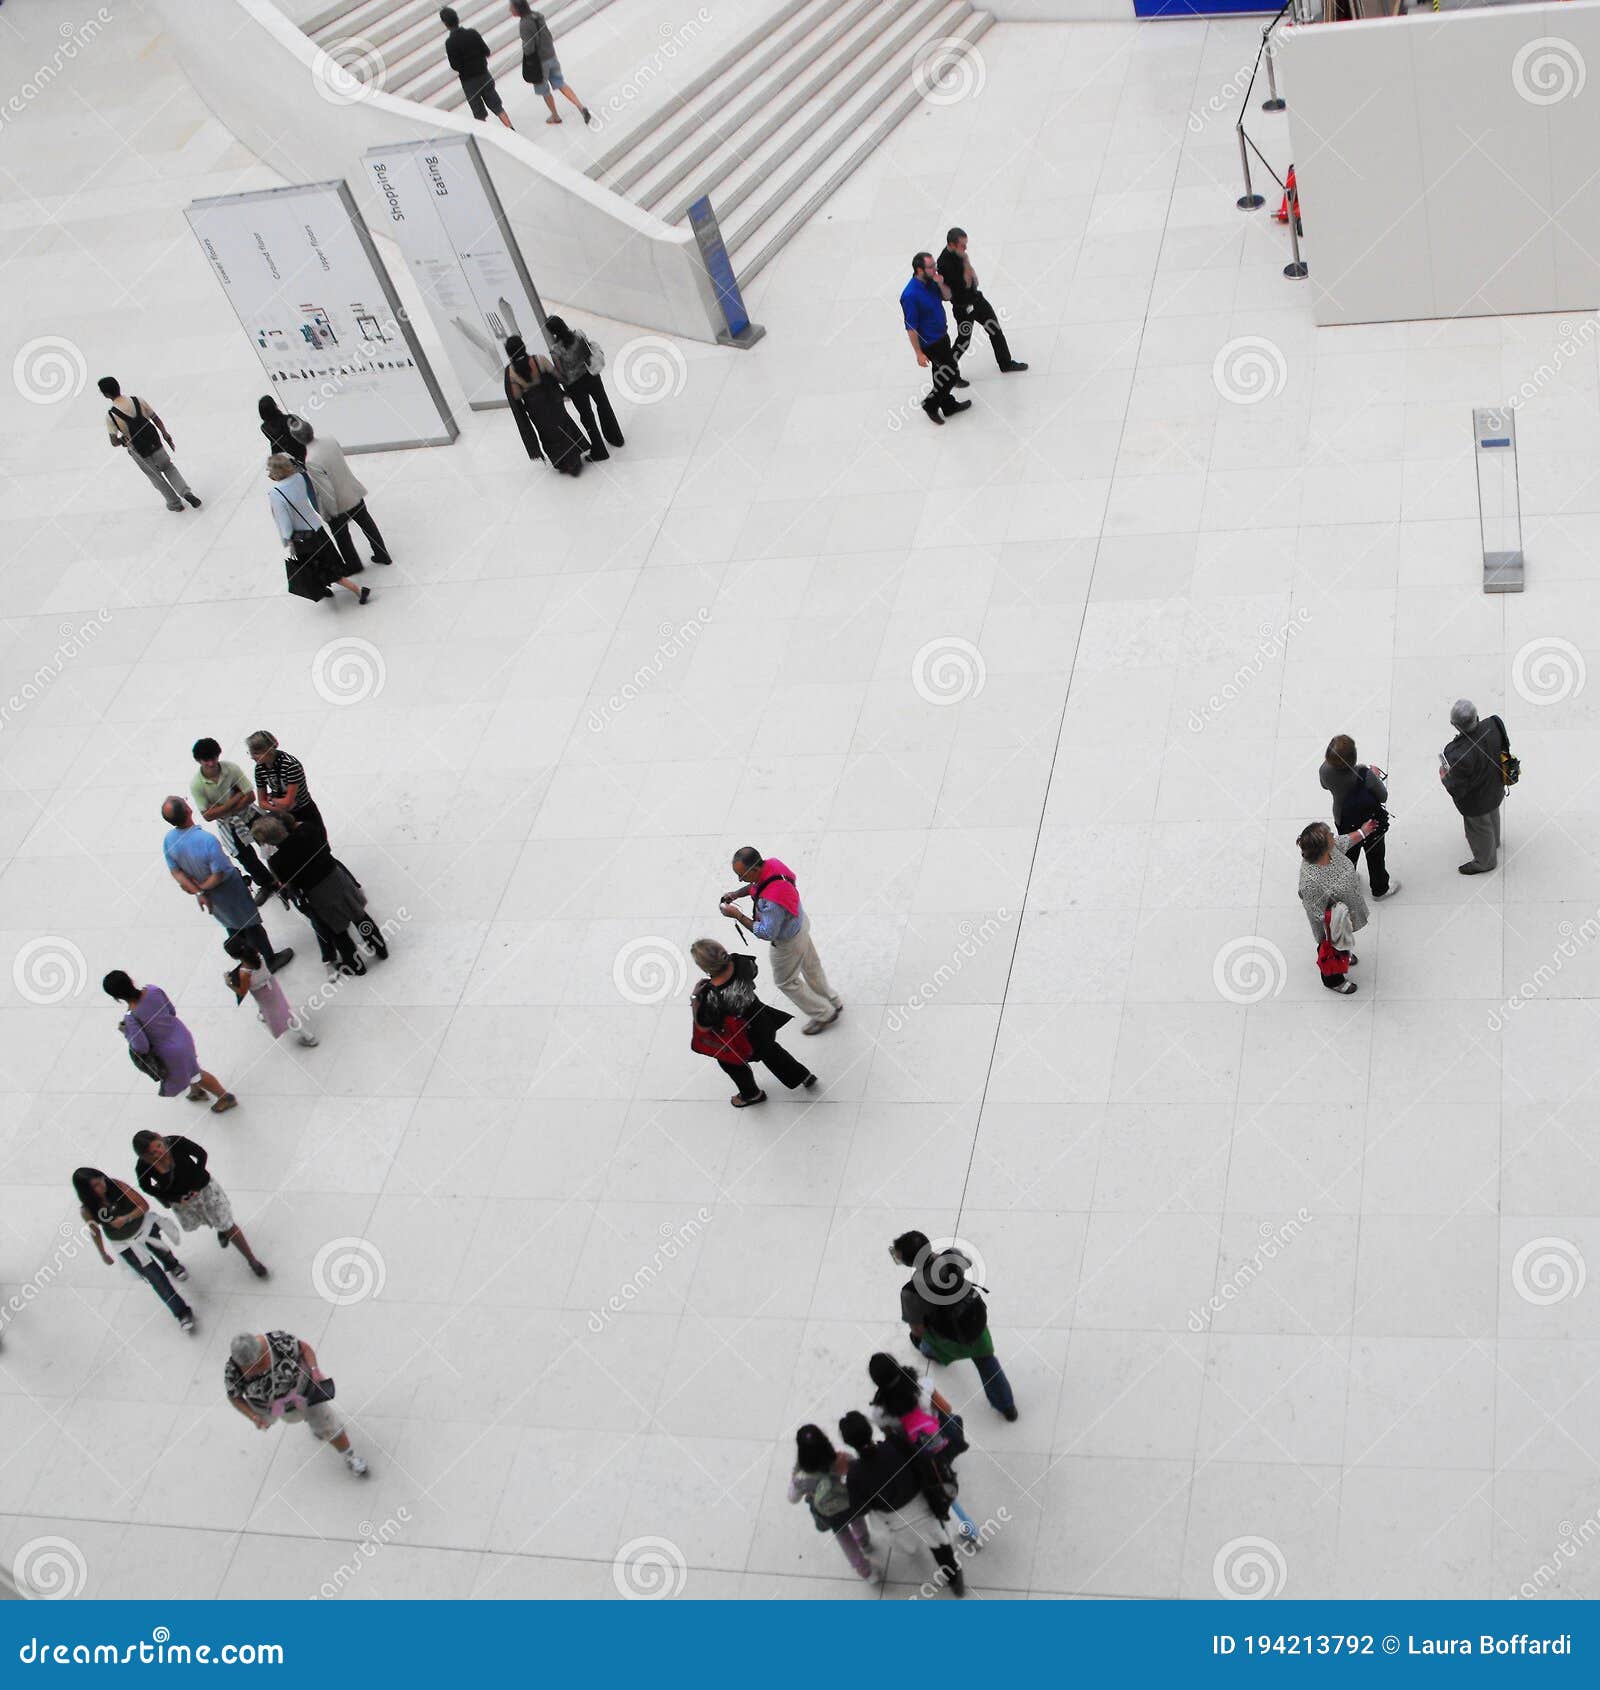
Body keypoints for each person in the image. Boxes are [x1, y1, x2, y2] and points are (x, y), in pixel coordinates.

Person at [891, 1230, 1017, 1421]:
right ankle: (1007, 1407)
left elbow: (918, 1329)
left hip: (947, 1335)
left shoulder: (911, 1291)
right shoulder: (952, 1256)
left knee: (924, 1344)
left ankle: (934, 1354)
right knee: (986, 1362)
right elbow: (967, 1263)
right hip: (974, 1321)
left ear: (909, 1262)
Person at [160, 796, 293, 971]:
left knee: (231, 925)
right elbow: (218, 874)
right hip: (229, 889)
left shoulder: (169, 840)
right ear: (188, 810)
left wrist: (199, 892)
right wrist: (203, 888)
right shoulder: (207, 840)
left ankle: (248, 959)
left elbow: (176, 871)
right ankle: (269, 959)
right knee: (251, 925)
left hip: (211, 898)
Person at [839, 1410, 965, 1596]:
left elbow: (860, 1508)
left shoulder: (855, 1475)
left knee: (908, 1541)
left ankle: (913, 1549)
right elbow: (923, 1461)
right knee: (940, 1546)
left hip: (896, 1523)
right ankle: (954, 1580)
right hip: (923, 1509)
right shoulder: (895, 1444)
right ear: (869, 1429)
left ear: (848, 1443)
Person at [719, 847, 841, 1033]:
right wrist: (737, 894)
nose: (741, 880)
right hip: (800, 923)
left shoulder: (773, 901)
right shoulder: (773, 865)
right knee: (811, 966)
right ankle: (833, 1000)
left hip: (788, 942)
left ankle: (823, 1013)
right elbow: (756, 886)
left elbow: (767, 932)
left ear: (754, 869)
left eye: (742, 875)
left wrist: (738, 915)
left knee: (785, 981)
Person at [251, 814, 388, 977]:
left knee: (338, 931)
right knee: (359, 915)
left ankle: (355, 965)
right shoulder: (307, 829)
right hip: (336, 877)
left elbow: (287, 883)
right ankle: (380, 948)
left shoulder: (277, 860)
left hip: (317, 893)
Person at [688, 937, 817, 1109]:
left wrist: (695, 1000)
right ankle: (802, 1076)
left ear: (705, 967)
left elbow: (704, 1024)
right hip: (762, 1022)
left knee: (732, 1064)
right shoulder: (741, 963)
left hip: (741, 1037)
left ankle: (751, 1094)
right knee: (771, 1051)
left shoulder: (711, 995)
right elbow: (754, 971)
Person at [867, 1352, 980, 1544]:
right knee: (948, 1472)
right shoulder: (923, 1386)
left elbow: (891, 1437)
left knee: (939, 1488)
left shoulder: (879, 1413)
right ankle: (969, 1528)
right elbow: (947, 1409)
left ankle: (960, 1529)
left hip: (917, 1456)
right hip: (941, 1443)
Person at [225, 1331, 369, 1477]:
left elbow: (304, 1348)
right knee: (294, 1418)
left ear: (261, 1349)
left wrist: (314, 1370)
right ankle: (315, 1424)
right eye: (248, 1367)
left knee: (328, 1426)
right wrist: (253, 1416)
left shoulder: (277, 1342)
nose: (254, 1368)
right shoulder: (233, 1370)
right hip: (277, 1407)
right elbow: (234, 1397)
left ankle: (350, 1456)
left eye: (258, 1362)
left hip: (305, 1392)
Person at [132, 1132, 269, 1279]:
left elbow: (201, 1154)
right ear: (145, 1156)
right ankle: (221, 1230)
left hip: (205, 1190)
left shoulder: (176, 1142)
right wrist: (175, 1198)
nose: (158, 1152)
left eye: (159, 1146)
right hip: (184, 1202)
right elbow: (146, 1186)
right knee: (211, 1220)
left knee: (227, 1224)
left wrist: (196, 1185)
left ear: (160, 1139)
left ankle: (251, 1260)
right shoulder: (143, 1166)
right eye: (152, 1153)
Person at [74, 1167, 195, 1331]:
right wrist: (102, 1253)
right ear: (87, 1191)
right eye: (95, 1186)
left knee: (162, 1251)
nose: (102, 1186)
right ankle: (181, 1312)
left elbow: (143, 1205)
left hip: (144, 1229)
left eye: (101, 1180)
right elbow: (94, 1230)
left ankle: (172, 1265)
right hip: (125, 1245)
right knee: (156, 1278)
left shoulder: (117, 1186)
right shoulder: (87, 1210)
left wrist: (126, 1218)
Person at [104, 969, 237, 1113]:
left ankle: (224, 1096)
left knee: (195, 1073)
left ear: (117, 997)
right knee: (190, 1066)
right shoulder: (153, 989)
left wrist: (127, 1032)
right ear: (130, 980)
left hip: (170, 1053)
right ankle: (196, 1091)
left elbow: (141, 1046)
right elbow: (171, 1010)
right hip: (182, 1035)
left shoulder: (131, 1019)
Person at [285, 417, 391, 572]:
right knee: (367, 524)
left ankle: (354, 565)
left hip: (339, 503)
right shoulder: (329, 440)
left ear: (297, 439)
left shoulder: (311, 460)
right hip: (352, 490)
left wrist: (329, 512)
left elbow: (325, 490)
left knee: (342, 537)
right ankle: (382, 554)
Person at [267, 455, 369, 605]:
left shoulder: (276, 494)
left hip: (303, 538)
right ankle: (324, 588)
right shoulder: (299, 478)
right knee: (329, 562)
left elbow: (285, 523)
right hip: (317, 528)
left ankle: (358, 590)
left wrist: (287, 540)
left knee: (321, 568)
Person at [1295, 819, 1379, 995]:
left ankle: (1344, 952)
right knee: (1333, 949)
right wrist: (1336, 927)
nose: (1333, 835)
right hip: (1331, 925)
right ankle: (1333, 980)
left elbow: (1346, 840)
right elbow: (1315, 911)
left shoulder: (1332, 849)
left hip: (1344, 914)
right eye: (1329, 835)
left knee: (1343, 943)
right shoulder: (1310, 882)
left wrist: (1364, 831)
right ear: (1323, 848)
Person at [190, 738, 275, 907]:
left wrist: (221, 808)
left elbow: (250, 796)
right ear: (199, 761)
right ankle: (266, 883)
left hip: (249, 815)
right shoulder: (197, 785)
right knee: (245, 857)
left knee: (271, 843)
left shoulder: (231, 768)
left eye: (214, 758)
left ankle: (283, 875)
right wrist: (234, 799)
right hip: (229, 825)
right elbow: (207, 815)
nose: (212, 762)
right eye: (207, 760)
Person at [788, 1423, 878, 1582]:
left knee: (844, 1537)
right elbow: (856, 1469)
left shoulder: (802, 1478)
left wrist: (795, 1475)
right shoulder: (842, 1459)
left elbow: (792, 1498)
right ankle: (864, 1542)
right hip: (850, 1502)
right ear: (826, 1443)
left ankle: (866, 1572)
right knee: (858, 1520)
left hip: (829, 1513)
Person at [99, 377, 201, 512]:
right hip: (154, 442)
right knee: (169, 467)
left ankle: (175, 504)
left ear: (106, 395)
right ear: (118, 387)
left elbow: (114, 441)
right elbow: (155, 418)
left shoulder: (111, 415)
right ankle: (186, 492)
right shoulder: (137, 400)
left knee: (156, 477)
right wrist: (165, 434)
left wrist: (122, 440)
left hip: (138, 451)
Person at [937, 228, 1028, 376]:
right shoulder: (944, 264)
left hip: (976, 299)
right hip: (963, 308)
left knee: (995, 329)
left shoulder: (959, 253)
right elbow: (966, 283)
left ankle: (1005, 363)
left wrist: (968, 267)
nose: (965, 249)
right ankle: (949, 374)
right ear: (952, 245)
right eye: (962, 245)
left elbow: (973, 281)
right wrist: (966, 263)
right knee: (963, 341)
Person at [1320, 735, 1397, 900]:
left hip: (1343, 819)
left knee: (1348, 852)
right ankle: (1380, 889)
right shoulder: (1364, 773)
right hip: (1371, 822)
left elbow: (1324, 785)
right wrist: (1374, 775)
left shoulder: (1325, 770)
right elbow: (1383, 796)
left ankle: (1347, 883)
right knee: (1375, 855)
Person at [1441, 699, 1510, 875]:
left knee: (1479, 827)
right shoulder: (1494, 724)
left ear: (1454, 725)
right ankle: (1494, 842)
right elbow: (1504, 748)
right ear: (1477, 717)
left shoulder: (1456, 753)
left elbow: (1457, 788)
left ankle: (1485, 861)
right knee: (1493, 813)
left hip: (1476, 802)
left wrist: (1445, 778)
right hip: (1495, 787)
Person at [900, 252, 969, 427]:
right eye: (931, 267)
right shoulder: (910, 295)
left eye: (934, 265)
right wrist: (918, 353)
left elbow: (947, 297)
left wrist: (941, 283)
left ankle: (947, 405)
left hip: (942, 336)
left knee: (940, 374)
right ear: (919, 269)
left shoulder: (932, 282)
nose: (935, 269)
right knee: (951, 375)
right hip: (930, 343)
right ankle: (930, 404)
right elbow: (911, 328)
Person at [544, 316, 623, 462]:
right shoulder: (579, 335)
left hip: (575, 386)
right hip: (591, 376)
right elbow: (588, 353)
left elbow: (561, 374)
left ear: (552, 332)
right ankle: (616, 437)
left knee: (587, 417)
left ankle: (600, 451)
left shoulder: (556, 351)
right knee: (603, 405)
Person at [503, 336, 586, 475]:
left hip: (535, 409)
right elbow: (558, 376)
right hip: (553, 401)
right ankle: (574, 461)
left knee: (547, 434)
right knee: (564, 427)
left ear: (509, 353)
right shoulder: (539, 360)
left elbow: (516, 396)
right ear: (523, 346)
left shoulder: (510, 373)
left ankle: (562, 463)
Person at [223, 934, 318, 1048]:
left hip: (261, 994)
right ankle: (262, 1013)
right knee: (281, 1007)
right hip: (271, 985)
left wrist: (229, 984)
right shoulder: (256, 953)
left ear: (233, 956)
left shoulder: (244, 973)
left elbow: (242, 991)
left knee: (286, 1016)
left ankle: (309, 1037)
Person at [512, 2, 592, 125]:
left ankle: (555, 116)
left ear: (517, 9)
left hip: (539, 63)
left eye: (511, 7)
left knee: (545, 91)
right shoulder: (538, 15)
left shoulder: (524, 24)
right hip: (551, 55)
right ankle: (580, 107)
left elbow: (529, 48)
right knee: (561, 84)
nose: (509, 10)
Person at [441, 6, 514, 129]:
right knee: (497, 106)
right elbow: (486, 51)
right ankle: (511, 129)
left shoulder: (450, 43)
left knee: (479, 114)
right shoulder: (472, 33)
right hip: (484, 74)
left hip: (469, 82)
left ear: (445, 24)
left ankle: (487, 136)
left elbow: (455, 66)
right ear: (457, 19)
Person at [246, 731, 326, 842]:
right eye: (251, 753)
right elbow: (262, 802)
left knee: (318, 842)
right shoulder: (260, 768)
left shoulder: (290, 765)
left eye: (256, 753)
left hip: (303, 810)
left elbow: (288, 802)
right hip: (282, 815)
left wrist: (272, 798)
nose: (252, 757)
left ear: (268, 750)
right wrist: (278, 805)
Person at [257, 395, 305, 460]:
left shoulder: (264, 428)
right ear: (275, 406)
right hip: (303, 453)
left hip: (288, 458)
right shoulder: (290, 419)